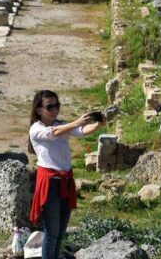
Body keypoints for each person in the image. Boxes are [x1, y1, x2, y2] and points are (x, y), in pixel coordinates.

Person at [28, 90, 107, 259]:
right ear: (39, 110)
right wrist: (76, 122)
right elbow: (54, 133)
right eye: (50, 107)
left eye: (57, 105)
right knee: (52, 232)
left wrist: (99, 124)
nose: (55, 110)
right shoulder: (36, 129)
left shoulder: (62, 125)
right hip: (49, 183)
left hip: (65, 180)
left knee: (60, 232)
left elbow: (82, 131)